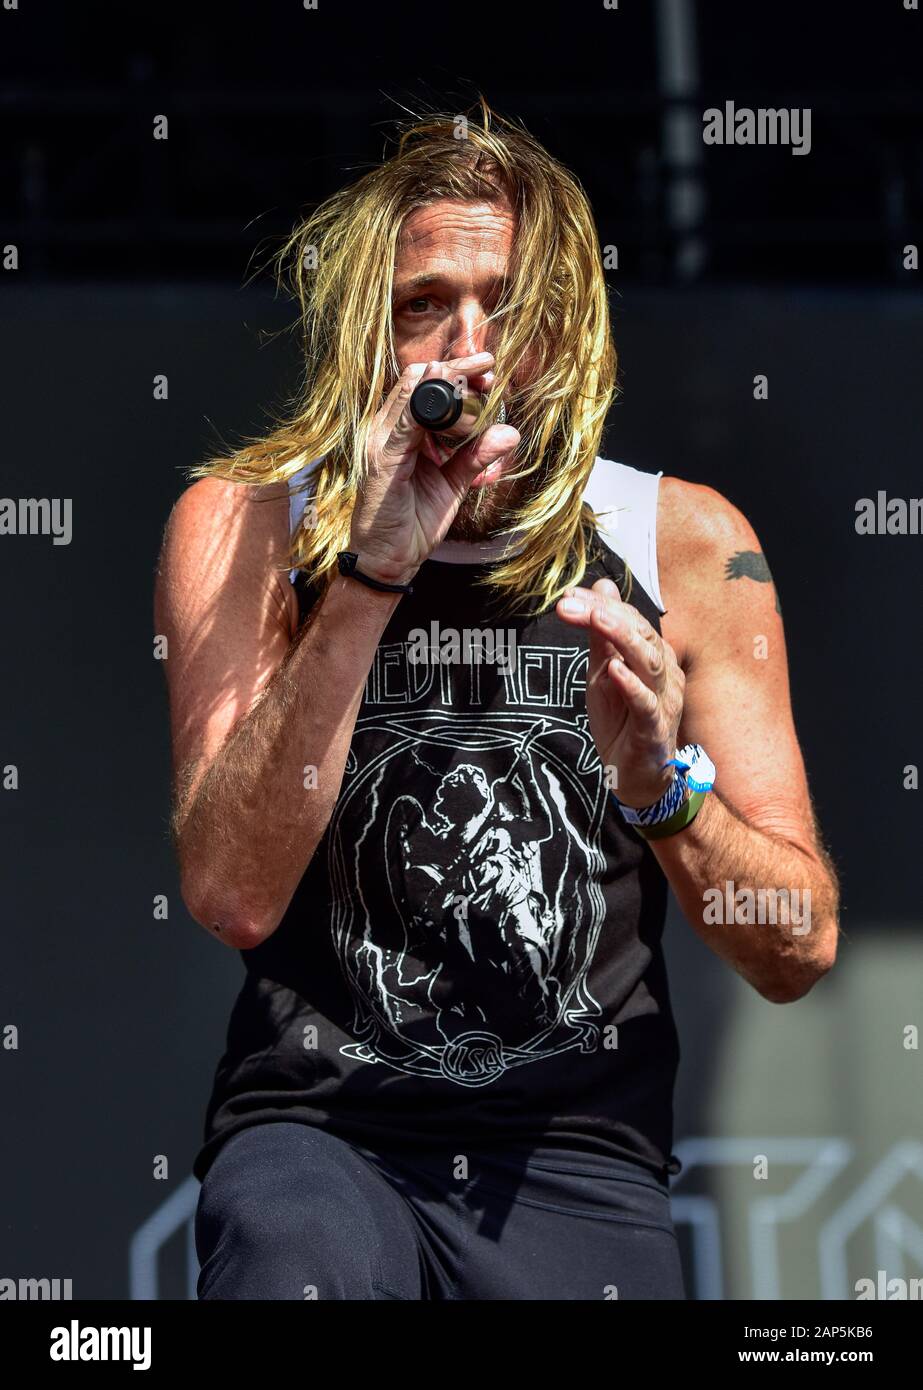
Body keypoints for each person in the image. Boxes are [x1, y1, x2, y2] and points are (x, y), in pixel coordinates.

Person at [154, 98, 839, 1300]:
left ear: (560, 331)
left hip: (575, 1155)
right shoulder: (254, 522)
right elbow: (228, 892)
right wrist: (369, 576)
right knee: (290, 1261)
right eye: (425, 303)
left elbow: (797, 947)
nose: (467, 347)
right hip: (326, 1127)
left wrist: (662, 792)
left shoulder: (680, 544)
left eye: (503, 305)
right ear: (376, 328)